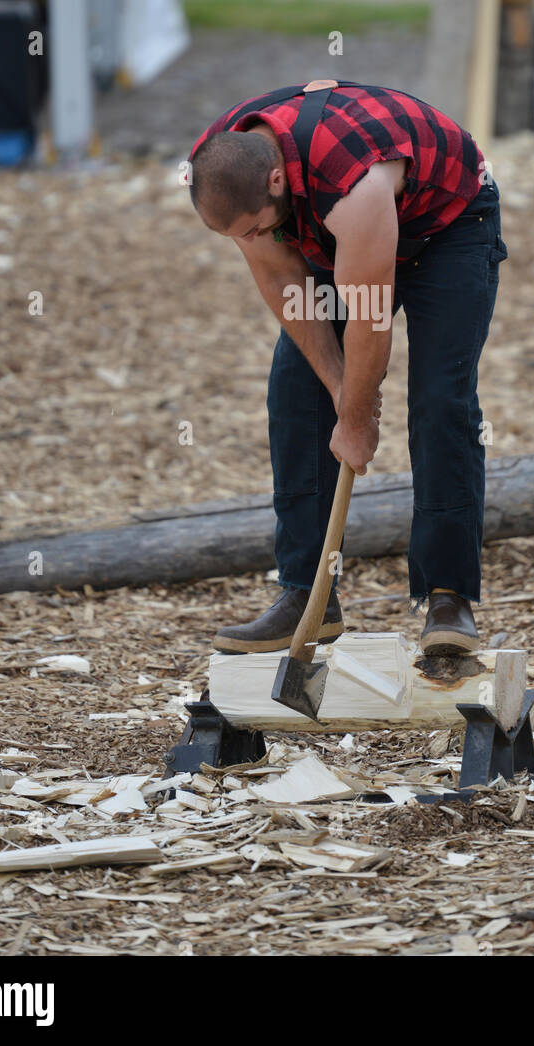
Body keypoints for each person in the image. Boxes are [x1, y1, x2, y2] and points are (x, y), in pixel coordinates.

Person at [187, 79, 507, 656]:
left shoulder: (354, 182)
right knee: (295, 389)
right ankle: (306, 593)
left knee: (442, 400)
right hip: (340, 231)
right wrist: (338, 387)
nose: (253, 240)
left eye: (257, 227)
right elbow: (281, 279)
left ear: (277, 181)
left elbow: (370, 317)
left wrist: (357, 419)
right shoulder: (223, 166)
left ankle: (448, 597)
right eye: (239, 236)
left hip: (450, 226)